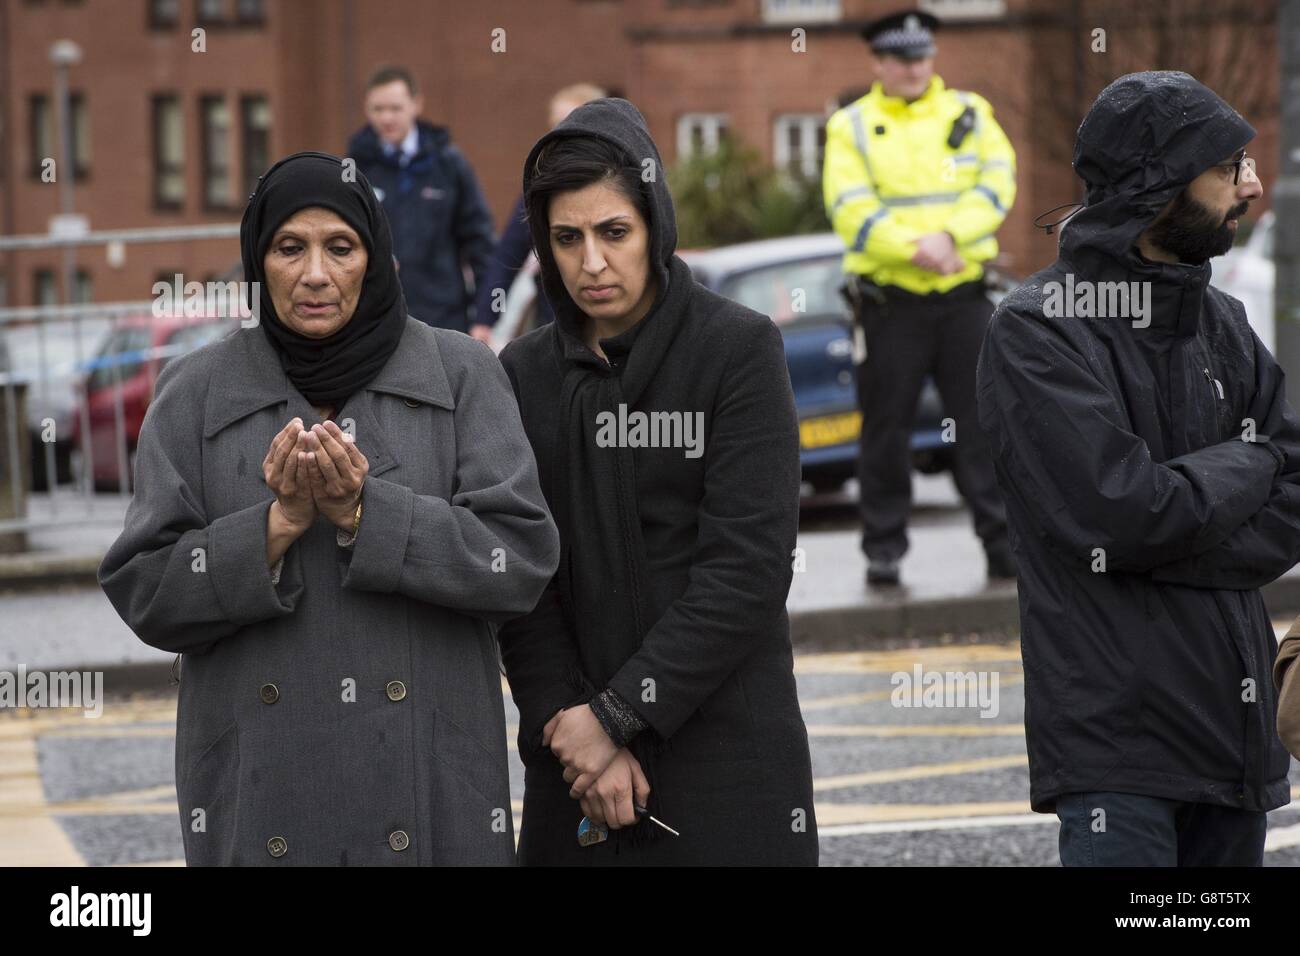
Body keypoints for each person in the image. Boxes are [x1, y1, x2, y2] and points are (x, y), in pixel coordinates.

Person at [98, 151, 559, 866]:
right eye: (290, 247)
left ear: (374, 259)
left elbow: (519, 558)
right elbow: (145, 589)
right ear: (258, 260)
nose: (315, 273)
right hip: (259, 797)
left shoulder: (460, 374)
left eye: (340, 247)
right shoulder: (193, 392)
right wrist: (273, 528)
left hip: (431, 792)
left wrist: (367, 515)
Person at [977, 71, 1299, 866]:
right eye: (1228, 166)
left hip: (1236, 740)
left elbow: (1293, 495)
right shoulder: (1036, 329)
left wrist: (1168, 533)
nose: (1252, 185)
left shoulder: (1222, 320)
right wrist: (1251, 460)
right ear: (1158, 184)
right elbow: (1122, 514)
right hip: (1116, 754)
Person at [496, 98, 818, 865]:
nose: (592, 263)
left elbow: (746, 569)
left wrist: (616, 717)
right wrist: (570, 725)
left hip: (724, 749)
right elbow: (521, 579)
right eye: (567, 238)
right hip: (573, 767)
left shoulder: (736, 349)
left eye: (614, 232)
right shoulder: (523, 373)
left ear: (655, 226)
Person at [821, 9, 1017, 587]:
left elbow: (997, 184)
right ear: (878, 62)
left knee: (984, 424)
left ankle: (1003, 546)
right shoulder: (851, 125)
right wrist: (924, 250)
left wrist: (950, 237)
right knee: (886, 432)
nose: (915, 68)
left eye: (923, 56)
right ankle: (883, 552)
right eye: (902, 59)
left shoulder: (970, 112)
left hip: (964, 298)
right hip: (891, 303)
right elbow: (849, 208)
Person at [346, 65, 496, 339]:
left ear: (416, 105)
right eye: (378, 109)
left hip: (443, 317)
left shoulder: (449, 163)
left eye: (395, 108)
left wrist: (485, 316)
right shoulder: (354, 166)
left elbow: (479, 240)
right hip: (375, 317)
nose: (386, 117)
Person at [474, 83, 607, 340]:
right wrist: (485, 318)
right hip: (556, 319)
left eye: (570, 123)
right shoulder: (541, 185)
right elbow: (508, 252)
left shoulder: (620, 182)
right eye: (556, 124)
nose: (561, 134)